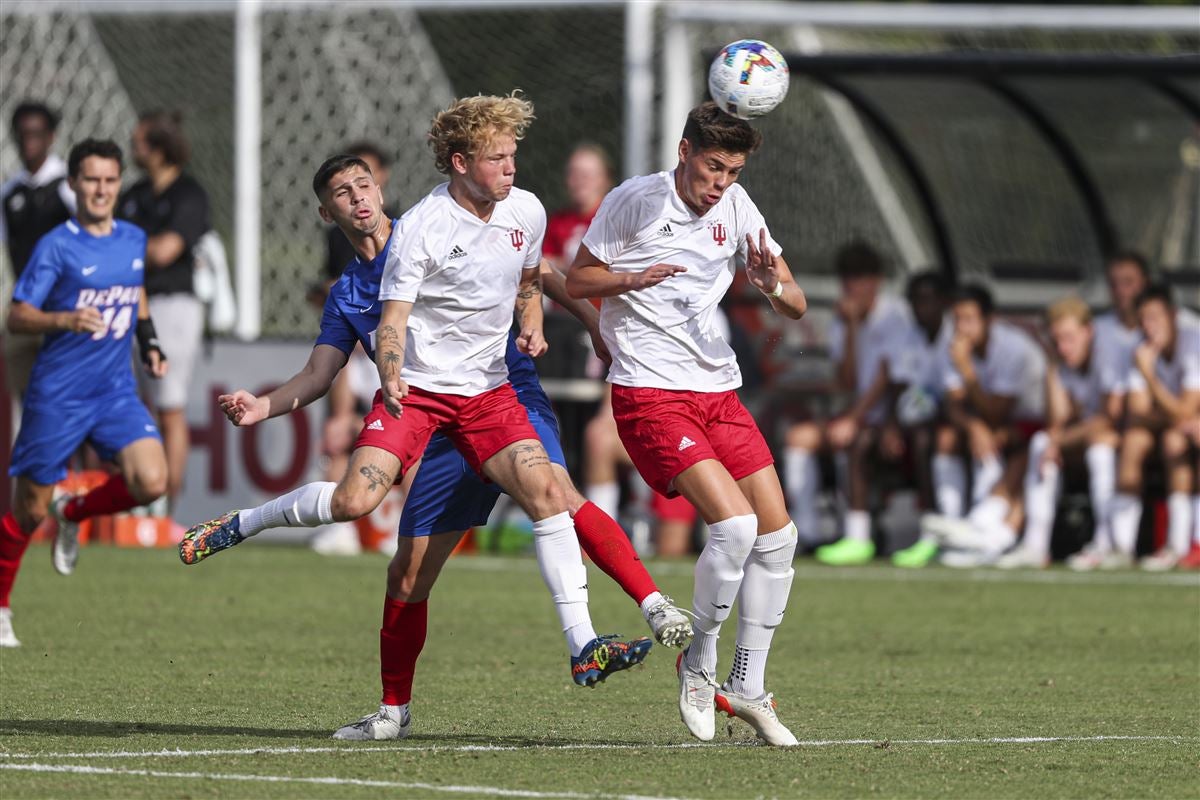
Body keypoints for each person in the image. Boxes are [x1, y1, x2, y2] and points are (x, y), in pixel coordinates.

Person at [180, 96, 689, 737]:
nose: (359, 199)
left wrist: (582, 322)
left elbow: (536, 273)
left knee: (552, 492)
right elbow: (322, 371)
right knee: (377, 529)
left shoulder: (475, 217)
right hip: (418, 399)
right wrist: (265, 404)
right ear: (327, 211)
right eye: (343, 192)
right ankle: (388, 703)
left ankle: (605, 631)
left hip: (496, 393)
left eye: (365, 183)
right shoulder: (364, 280)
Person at [567, 101, 808, 746]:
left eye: (732, 170)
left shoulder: (737, 206)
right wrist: (630, 277)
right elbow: (576, 278)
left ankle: (747, 685)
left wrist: (768, 286)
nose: (720, 182)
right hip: (649, 391)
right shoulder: (634, 201)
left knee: (778, 538)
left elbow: (796, 304)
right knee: (733, 527)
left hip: (718, 392)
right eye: (711, 167)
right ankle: (697, 665)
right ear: (684, 152)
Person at [0, 138, 168, 648]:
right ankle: (1, 605)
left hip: (115, 390)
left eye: (110, 180)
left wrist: (150, 341)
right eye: (91, 179)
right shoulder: (57, 245)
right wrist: (63, 318)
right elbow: (17, 313)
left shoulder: (133, 237)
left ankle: (74, 513)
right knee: (28, 508)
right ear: (73, 184)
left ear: (119, 183)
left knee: (152, 480)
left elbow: (133, 292)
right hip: (59, 392)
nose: (101, 189)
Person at [893, 284, 1045, 568]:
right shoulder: (954, 345)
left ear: (990, 320)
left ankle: (981, 526)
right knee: (949, 437)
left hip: (1032, 423)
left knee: (998, 439)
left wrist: (965, 369)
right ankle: (956, 527)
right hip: (992, 422)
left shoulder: (1014, 349)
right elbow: (953, 405)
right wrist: (974, 427)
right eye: (958, 319)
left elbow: (998, 412)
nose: (961, 327)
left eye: (969, 319)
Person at [781, 243, 911, 564]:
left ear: (876, 281)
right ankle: (805, 532)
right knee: (797, 438)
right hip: (854, 415)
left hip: (890, 416)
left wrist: (854, 418)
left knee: (851, 437)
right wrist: (852, 328)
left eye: (860, 278)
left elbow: (887, 377)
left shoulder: (894, 314)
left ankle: (855, 533)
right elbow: (847, 381)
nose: (853, 287)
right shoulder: (843, 322)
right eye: (848, 279)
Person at [118, 110, 211, 514]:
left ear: (158, 146)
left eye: (140, 141)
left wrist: (119, 252)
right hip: (131, 302)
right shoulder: (133, 194)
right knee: (136, 403)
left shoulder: (189, 194)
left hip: (173, 306)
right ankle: (137, 497)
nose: (134, 148)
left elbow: (164, 250)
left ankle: (166, 507)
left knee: (170, 406)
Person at [994, 298, 1122, 569]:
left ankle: (1107, 541)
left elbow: (1110, 418)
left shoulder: (1108, 355)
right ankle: (1035, 545)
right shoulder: (1060, 362)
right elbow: (1056, 419)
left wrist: (1059, 439)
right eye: (1057, 340)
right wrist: (1052, 368)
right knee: (1041, 443)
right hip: (1080, 443)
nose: (1064, 347)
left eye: (1069, 338)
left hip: (1122, 442)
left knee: (1099, 448)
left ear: (1088, 332)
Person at [1111, 284, 1200, 571]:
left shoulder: (1194, 342)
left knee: (1177, 440)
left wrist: (1149, 376)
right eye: (1144, 319)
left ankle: (1186, 543)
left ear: (1173, 316)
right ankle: (1119, 545)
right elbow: (1137, 412)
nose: (1150, 327)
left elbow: (1185, 410)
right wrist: (1177, 417)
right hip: (1177, 426)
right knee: (1134, 440)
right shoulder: (1140, 349)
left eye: (1156, 317)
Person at [2, 101, 77, 404]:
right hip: (27, 309)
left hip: (65, 308)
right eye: (22, 134)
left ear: (51, 137)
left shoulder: (70, 187)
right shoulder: (10, 193)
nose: (28, 140)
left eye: (36, 133)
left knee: (72, 405)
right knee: (30, 403)